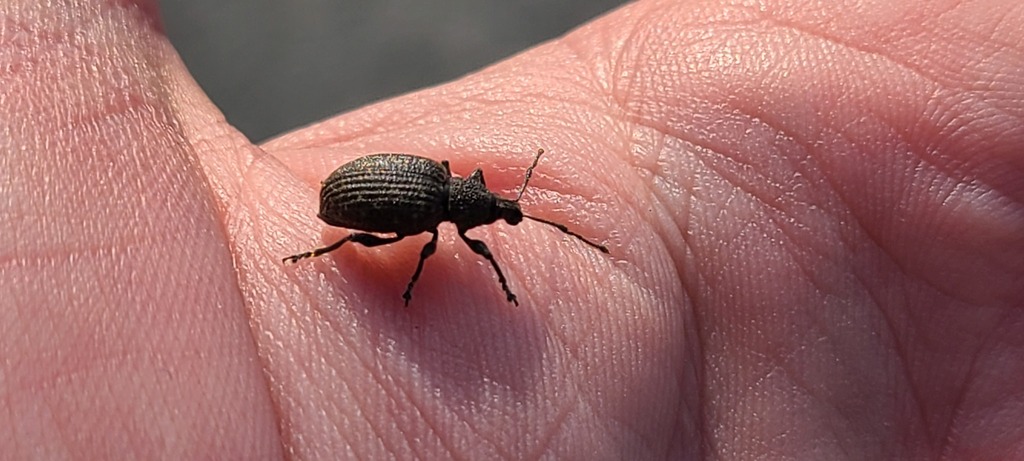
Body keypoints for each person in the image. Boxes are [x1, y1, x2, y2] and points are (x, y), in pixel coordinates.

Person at [2, 0, 1022, 458]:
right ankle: (320, 252)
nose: (494, 215)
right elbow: (397, 220)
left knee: (401, 247)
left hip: (374, 187)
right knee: (374, 247)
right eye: (494, 209)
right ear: (474, 202)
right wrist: (478, 279)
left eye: (494, 212)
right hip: (355, 200)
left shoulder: (445, 193)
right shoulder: (434, 206)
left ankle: (326, 249)